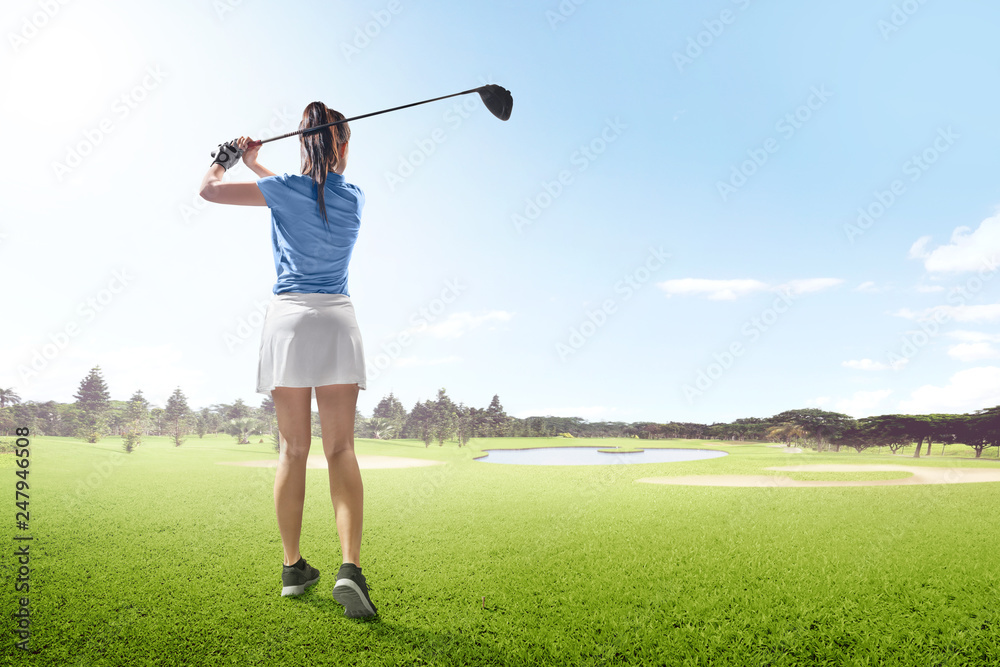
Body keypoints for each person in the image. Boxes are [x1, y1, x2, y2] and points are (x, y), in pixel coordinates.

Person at [198, 102, 377, 619]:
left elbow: (209, 191)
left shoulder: (285, 192)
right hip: (338, 321)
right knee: (340, 449)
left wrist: (226, 158)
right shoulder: (355, 198)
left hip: (289, 322)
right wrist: (257, 166)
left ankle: (293, 569)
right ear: (340, 145)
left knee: (293, 451)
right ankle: (350, 568)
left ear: (304, 144)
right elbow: (307, 190)